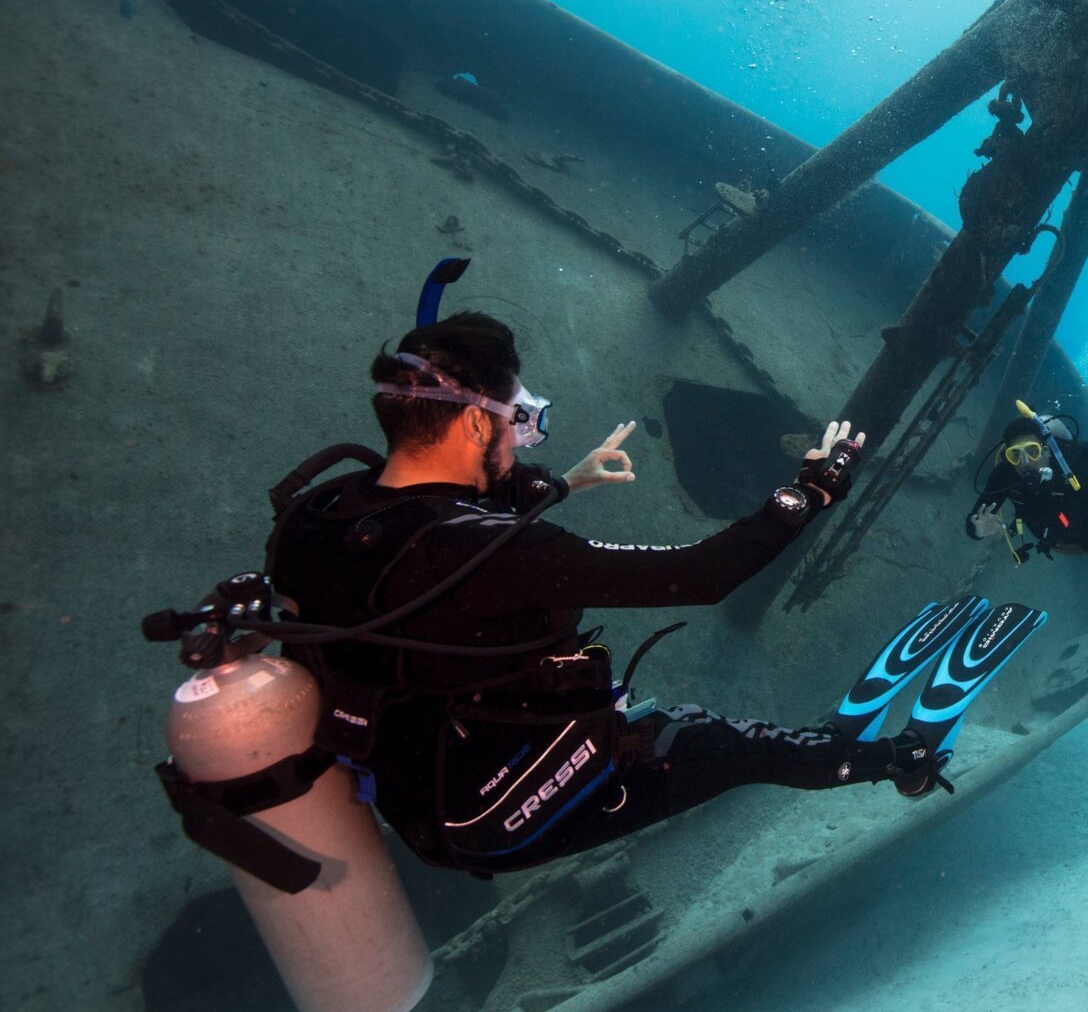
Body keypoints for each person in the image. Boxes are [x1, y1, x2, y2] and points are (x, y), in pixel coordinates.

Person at [262, 309, 950, 875]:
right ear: (475, 424)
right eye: (515, 419)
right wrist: (811, 492)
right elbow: (705, 573)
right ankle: (902, 762)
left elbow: (435, 536)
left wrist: (566, 481)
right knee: (732, 746)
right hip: (490, 811)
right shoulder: (503, 554)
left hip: (412, 786)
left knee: (651, 721)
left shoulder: (323, 513)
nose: (522, 436)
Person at [965, 404, 1088, 561]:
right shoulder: (1005, 473)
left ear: (1046, 450)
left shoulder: (1074, 472)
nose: (1025, 462)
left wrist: (1086, 546)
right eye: (1015, 454)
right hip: (1046, 526)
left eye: (1033, 451)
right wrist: (978, 531)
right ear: (1008, 456)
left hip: (1080, 525)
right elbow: (976, 517)